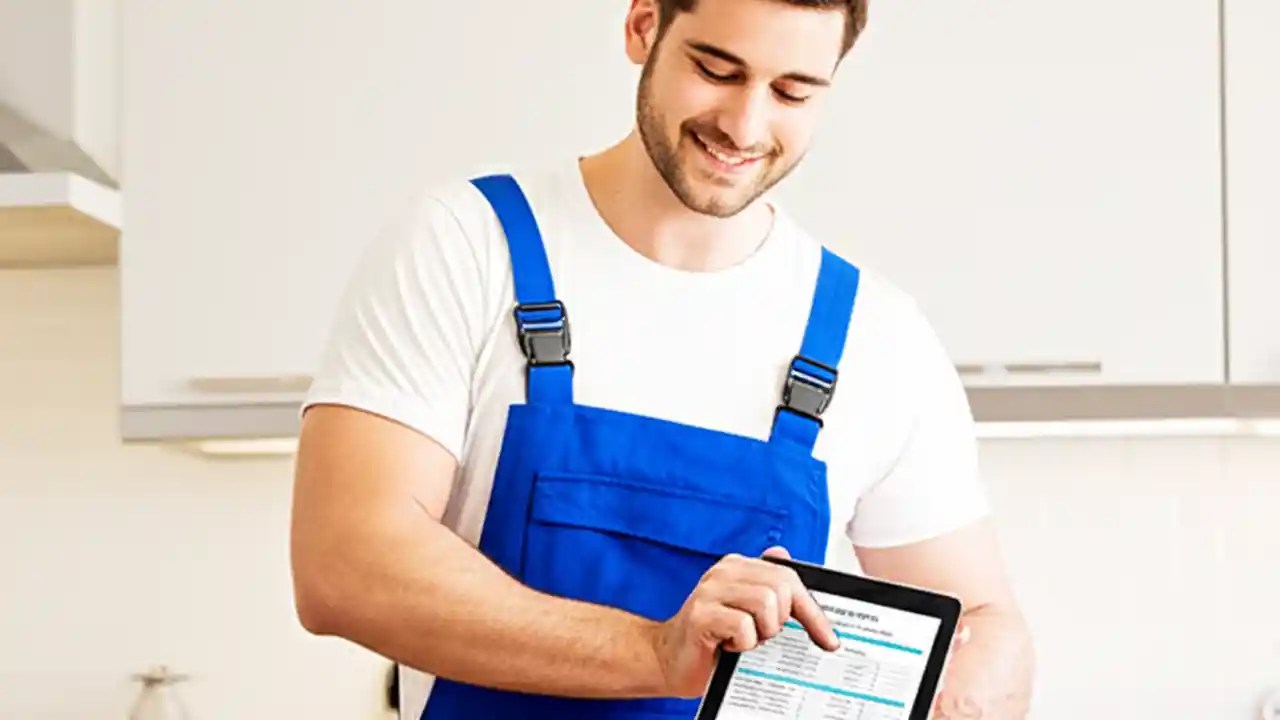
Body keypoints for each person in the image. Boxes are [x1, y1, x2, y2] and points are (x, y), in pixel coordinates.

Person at [289, 0, 1035, 718]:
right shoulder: (468, 247)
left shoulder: (877, 335)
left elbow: (982, 619)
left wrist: (980, 682)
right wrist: (654, 652)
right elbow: (345, 566)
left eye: (792, 92)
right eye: (717, 70)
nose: (746, 125)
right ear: (644, 25)